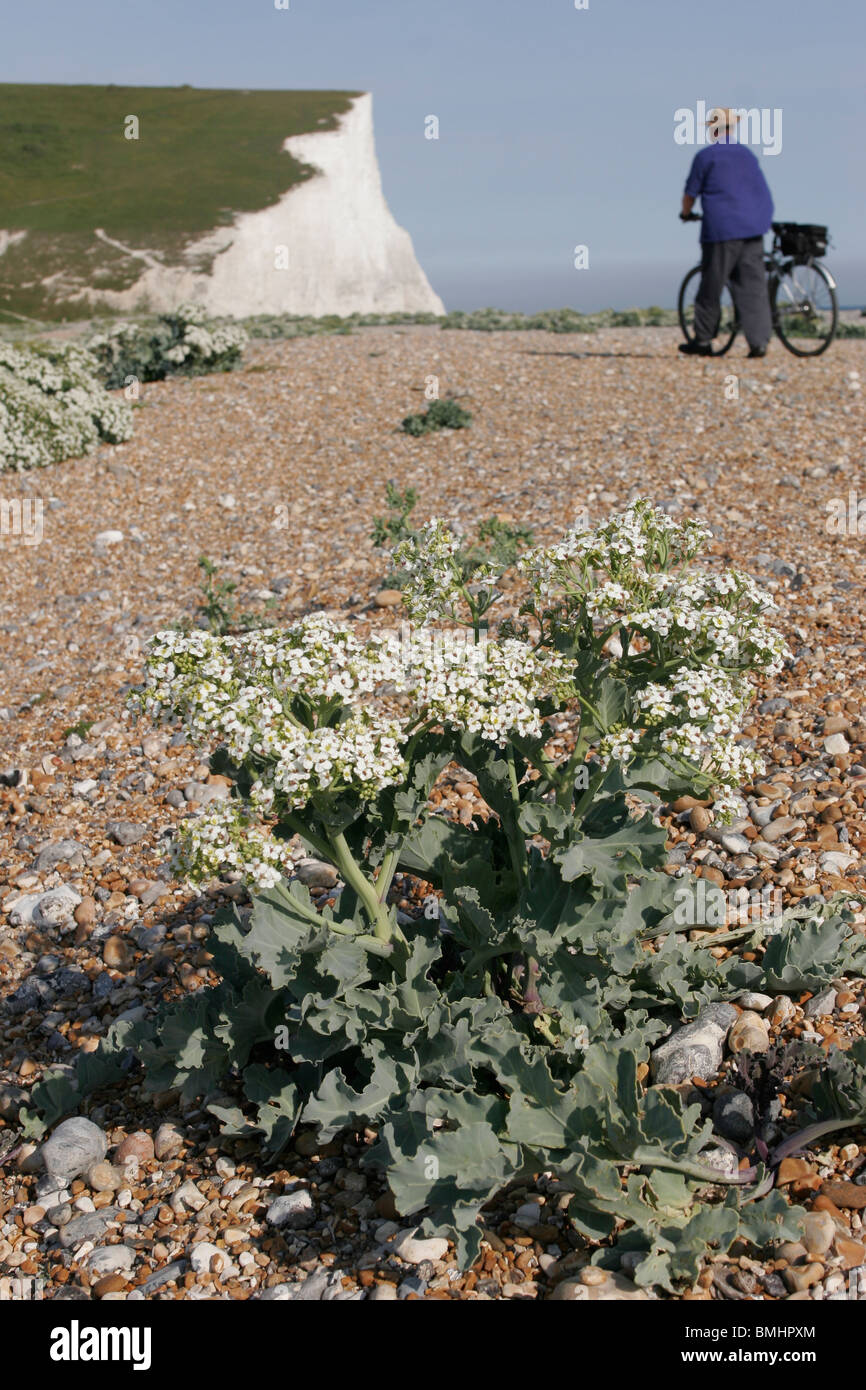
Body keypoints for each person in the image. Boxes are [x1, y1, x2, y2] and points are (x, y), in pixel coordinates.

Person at [679, 107, 774, 358]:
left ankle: (703, 340)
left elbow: (690, 194)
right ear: (732, 128)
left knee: (712, 285)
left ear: (713, 129)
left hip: (722, 229)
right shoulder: (747, 155)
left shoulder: (706, 157)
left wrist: (686, 214)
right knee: (753, 287)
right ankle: (759, 342)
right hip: (753, 227)